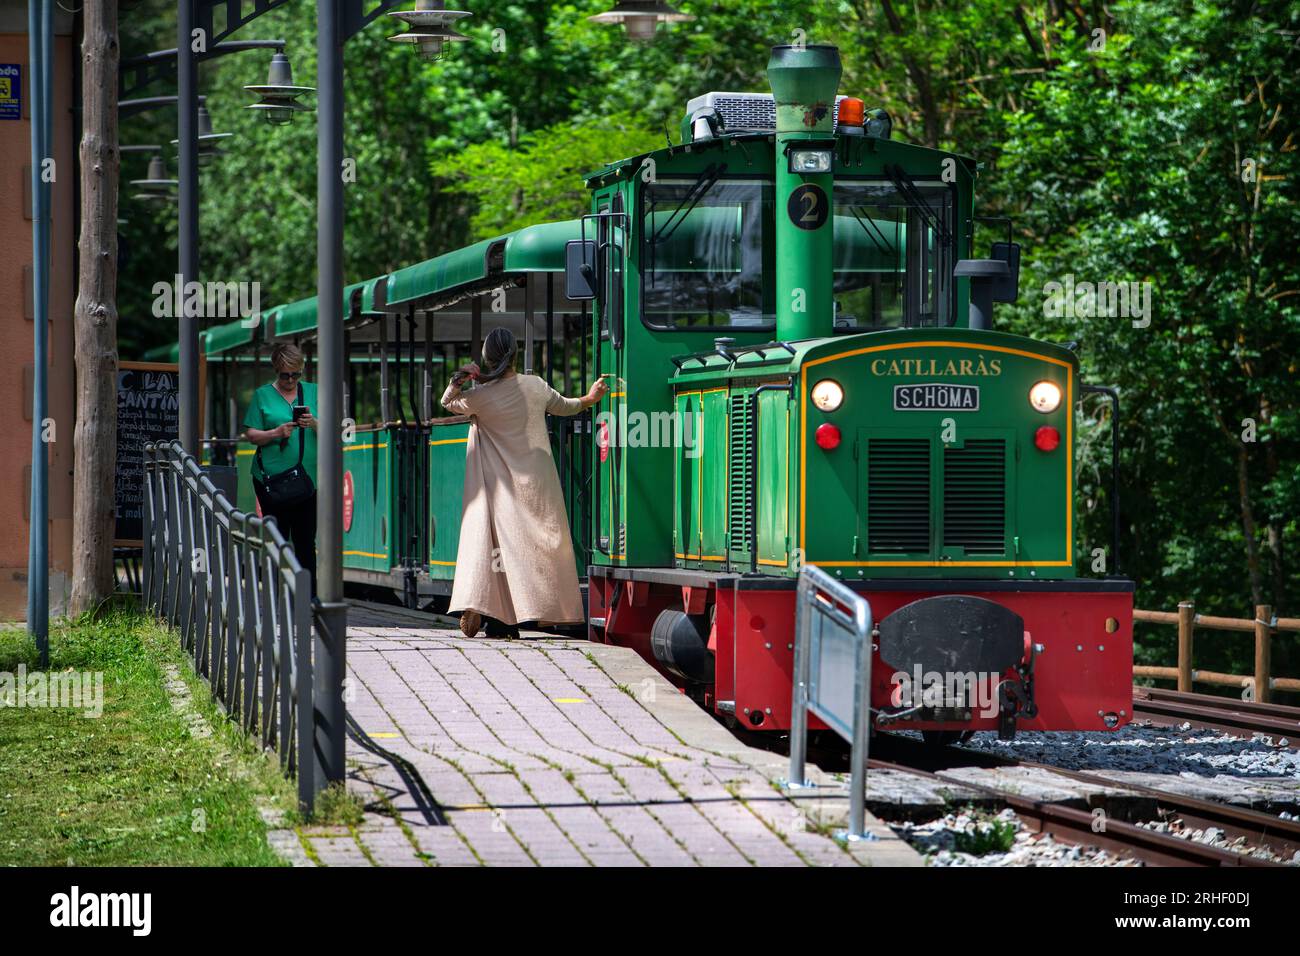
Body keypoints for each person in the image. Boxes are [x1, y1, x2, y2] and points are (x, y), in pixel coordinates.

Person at [442, 327, 608, 638]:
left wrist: (459, 378)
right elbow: (568, 407)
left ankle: (491, 612)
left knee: (495, 549)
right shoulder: (535, 386)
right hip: (535, 483)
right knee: (537, 548)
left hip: (497, 486)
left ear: (486, 359)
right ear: (516, 356)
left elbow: (447, 402)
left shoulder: (480, 396)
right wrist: (591, 397)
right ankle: (531, 612)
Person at [242, 343, 319, 594]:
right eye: (285, 374)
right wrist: (276, 432)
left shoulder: (315, 392)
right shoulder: (262, 395)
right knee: (277, 538)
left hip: (307, 480)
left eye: (295, 374)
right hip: (272, 481)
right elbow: (250, 434)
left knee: (305, 539)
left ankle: (308, 597)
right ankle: (277, 594)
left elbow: (339, 430)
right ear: (276, 370)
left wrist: (314, 423)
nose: (290, 380)